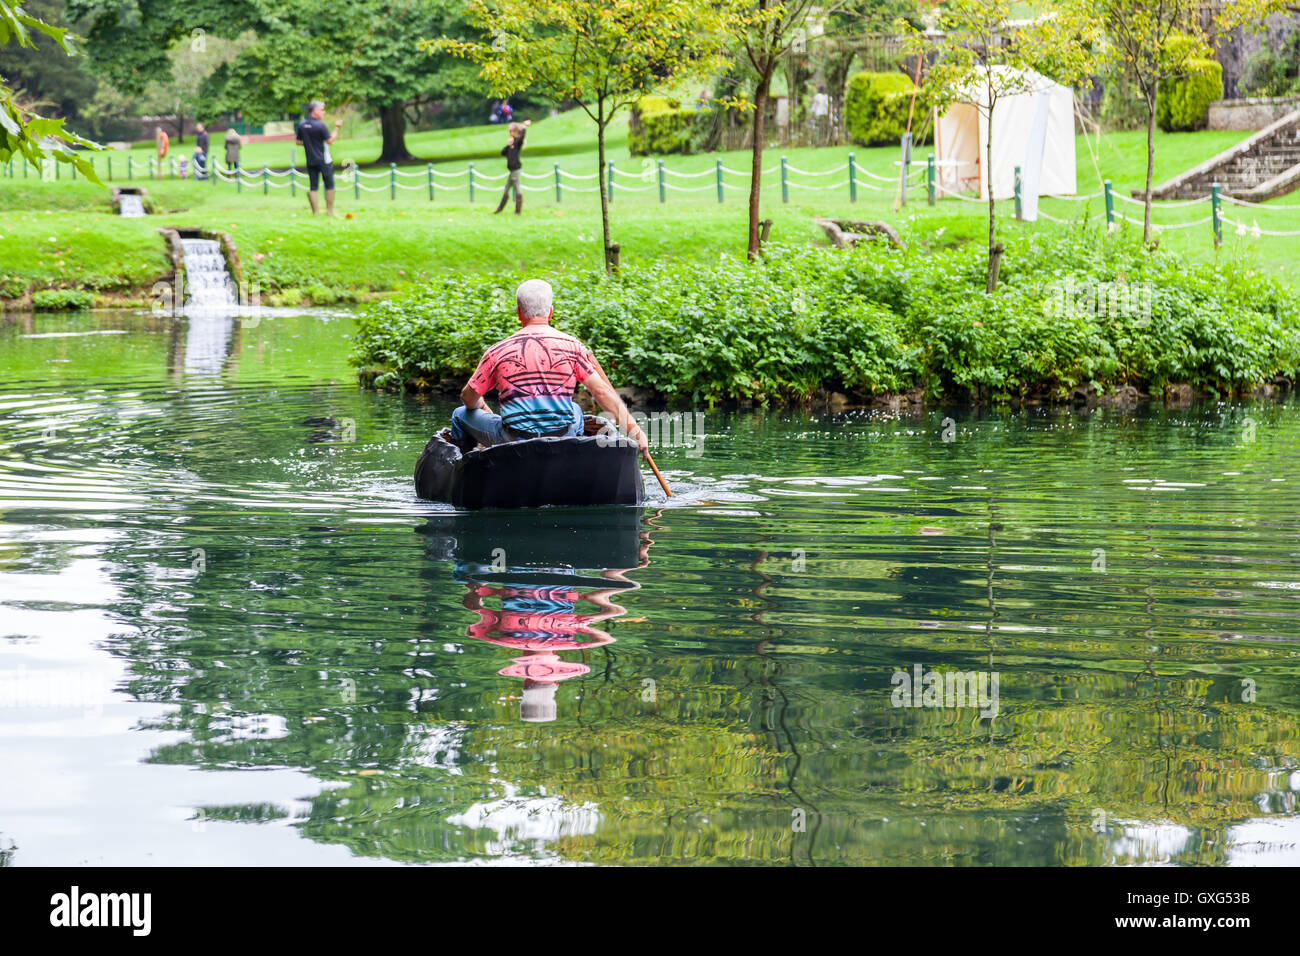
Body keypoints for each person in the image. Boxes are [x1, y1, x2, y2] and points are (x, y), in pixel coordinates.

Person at [447, 279, 649, 458]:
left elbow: (468, 398)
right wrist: (635, 431)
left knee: (459, 414)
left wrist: (479, 402)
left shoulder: (497, 351)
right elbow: (601, 391)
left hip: (513, 439)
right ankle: (568, 459)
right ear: (550, 311)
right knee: (575, 409)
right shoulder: (573, 347)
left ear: (519, 313)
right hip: (563, 436)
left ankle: (468, 467)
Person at [296, 99, 342, 215]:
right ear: (315, 111)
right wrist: (337, 128)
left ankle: (316, 212)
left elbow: (298, 142)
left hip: (310, 160)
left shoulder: (302, 125)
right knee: (329, 184)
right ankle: (330, 211)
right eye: (322, 110)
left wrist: (309, 143)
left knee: (313, 186)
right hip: (324, 160)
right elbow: (330, 141)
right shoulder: (320, 125)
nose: (324, 112)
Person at [495, 119, 531, 214]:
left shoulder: (517, 143)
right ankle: (499, 209)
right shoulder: (511, 144)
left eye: (511, 131)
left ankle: (517, 211)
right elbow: (502, 153)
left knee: (517, 188)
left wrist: (524, 127)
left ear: (515, 132)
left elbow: (522, 137)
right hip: (511, 170)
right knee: (507, 188)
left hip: (516, 169)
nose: (509, 133)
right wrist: (508, 145)